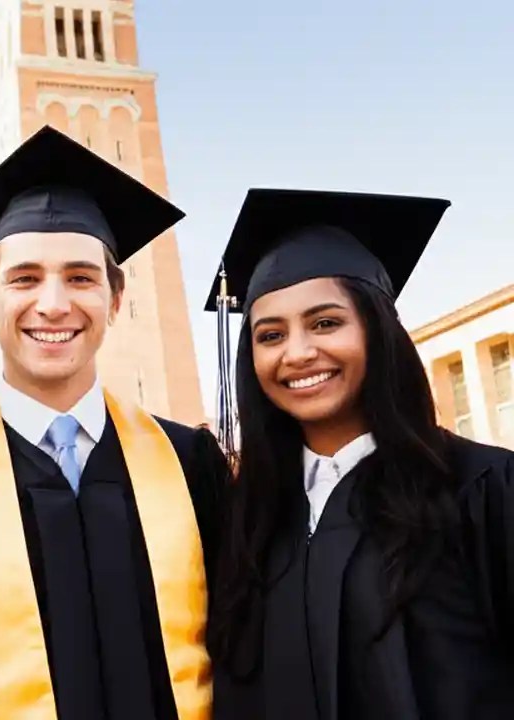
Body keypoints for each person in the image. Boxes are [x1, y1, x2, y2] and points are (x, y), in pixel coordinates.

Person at [0, 125, 230, 720]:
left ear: (114, 295)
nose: (53, 304)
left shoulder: (190, 466)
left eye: (80, 277)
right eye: (24, 278)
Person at [205, 188, 514, 719]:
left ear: (378, 330)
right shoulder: (248, 520)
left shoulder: (482, 488)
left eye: (326, 323)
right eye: (271, 334)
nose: (298, 353)